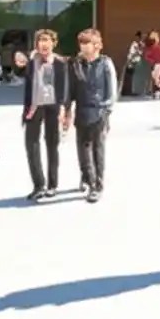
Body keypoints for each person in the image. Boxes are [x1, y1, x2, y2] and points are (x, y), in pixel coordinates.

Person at [68, 28, 118, 203]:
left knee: (98, 150)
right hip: (81, 111)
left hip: (99, 112)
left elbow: (112, 91)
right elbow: (71, 89)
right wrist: (66, 111)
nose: (82, 46)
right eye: (81, 43)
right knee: (82, 150)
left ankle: (97, 185)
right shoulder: (77, 64)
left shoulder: (105, 63)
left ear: (96, 45)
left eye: (86, 43)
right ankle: (86, 177)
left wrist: (107, 110)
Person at [19, 29, 70, 201]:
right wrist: (20, 60)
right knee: (31, 145)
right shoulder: (31, 61)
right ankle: (38, 184)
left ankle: (52, 185)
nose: (43, 43)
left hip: (53, 107)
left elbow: (65, 88)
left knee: (52, 145)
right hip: (34, 106)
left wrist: (64, 109)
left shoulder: (60, 63)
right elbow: (18, 68)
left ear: (53, 43)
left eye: (47, 40)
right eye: (40, 40)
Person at [144, 30, 160, 98]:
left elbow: (147, 56)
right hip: (157, 64)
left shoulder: (154, 48)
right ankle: (159, 89)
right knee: (155, 78)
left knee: (156, 78)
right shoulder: (158, 47)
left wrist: (151, 60)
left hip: (156, 65)